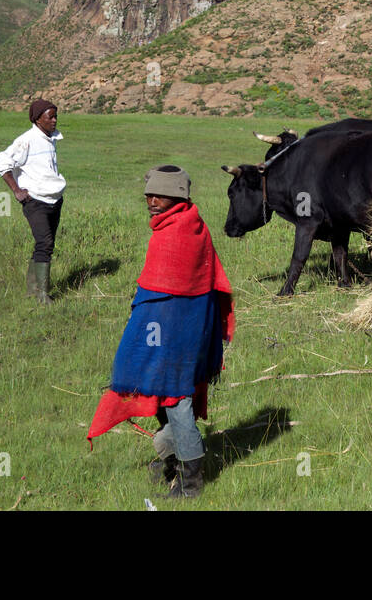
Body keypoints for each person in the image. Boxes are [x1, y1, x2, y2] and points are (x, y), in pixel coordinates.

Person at [87, 166, 234, 499]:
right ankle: (170, 458)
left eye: (159, 195)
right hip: (186, 328)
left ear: (178, 197)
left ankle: (191, 481)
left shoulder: (176, 232)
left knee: (176, 396)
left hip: (175, 331)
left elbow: (165, 291)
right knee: (168, 394)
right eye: (148, 195)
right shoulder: (190, 223)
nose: (151, 201)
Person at [0, 99, 66, 304]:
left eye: (55, 116)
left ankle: (32, 289)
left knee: (45, 245)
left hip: (54, 198)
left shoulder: (51, 138)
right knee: (45, 242)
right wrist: (16, 190)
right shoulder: (26, 141)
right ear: (37, 119)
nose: (54, 120)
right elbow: (2, 162)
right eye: (49, 117)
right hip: (35, 200)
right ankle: (43, 295)